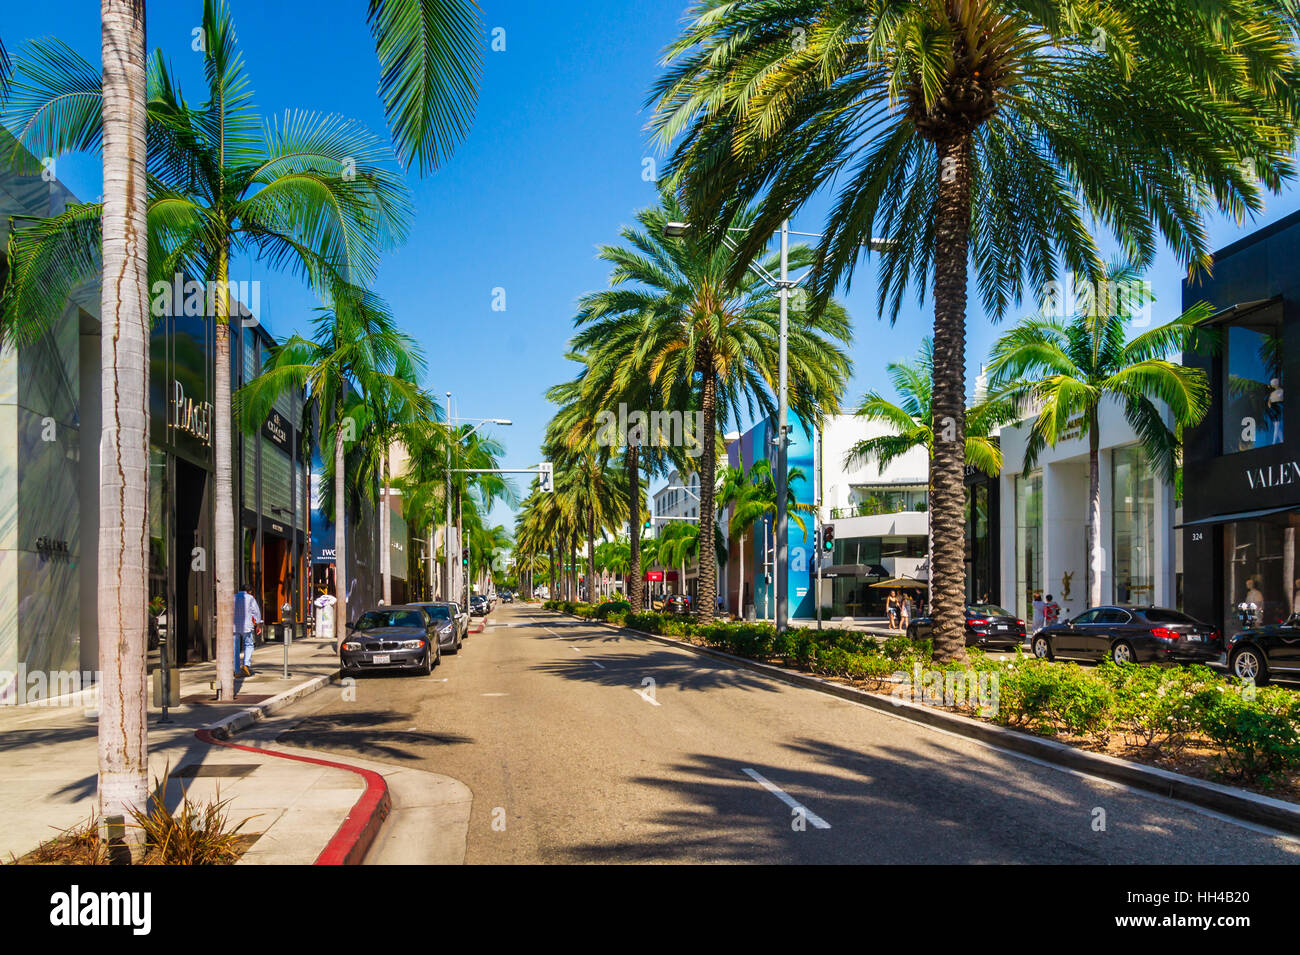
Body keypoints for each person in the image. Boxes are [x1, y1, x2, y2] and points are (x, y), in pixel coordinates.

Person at [233, 587, 262, 677]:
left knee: (235, 649)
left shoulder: (233, 597)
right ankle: (246, 664)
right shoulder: (250, 598)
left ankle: (237, 671)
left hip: (234, 627)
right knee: (249, 645)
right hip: (247, 626)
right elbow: (256, 611)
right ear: (249, 591)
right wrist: (258, 624)